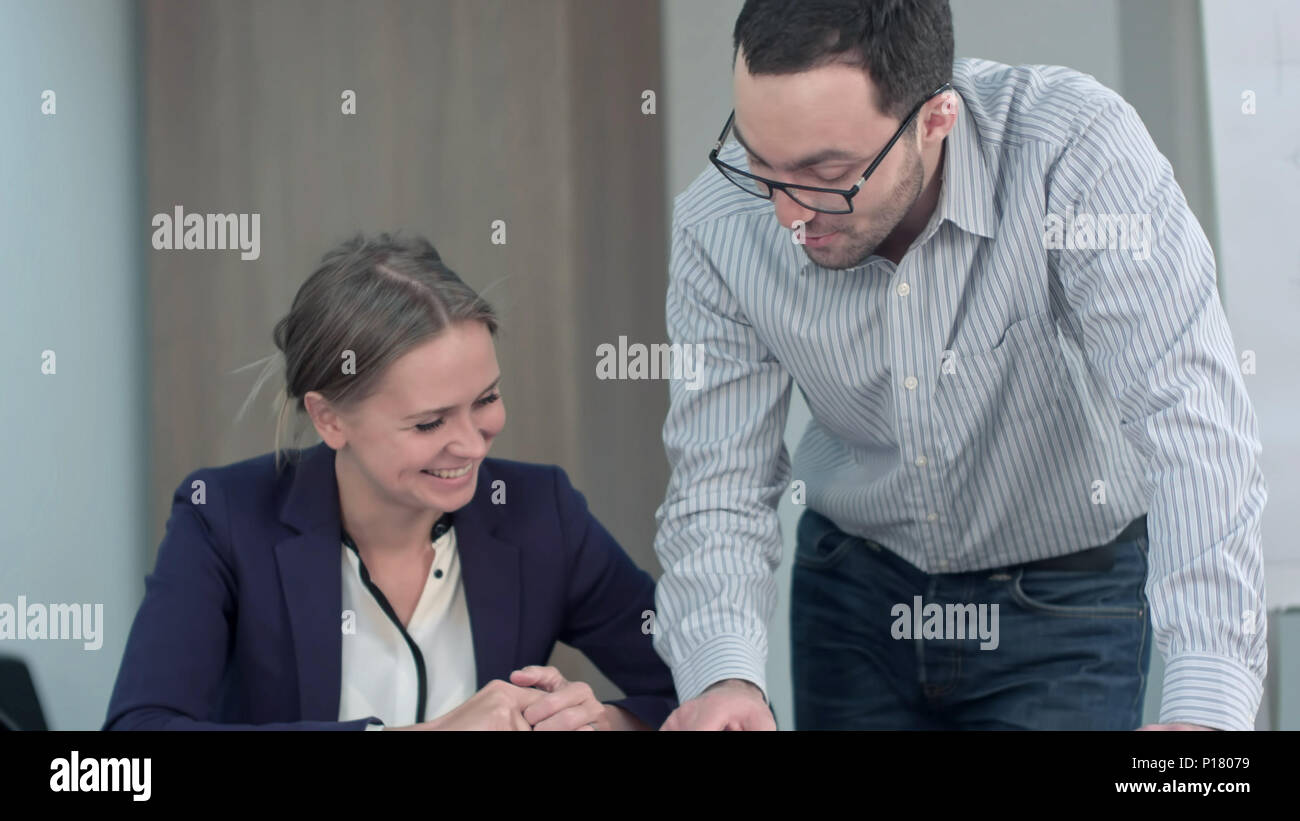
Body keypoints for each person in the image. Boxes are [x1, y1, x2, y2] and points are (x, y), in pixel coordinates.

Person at [654, 0, 1266, 730]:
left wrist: (1206, 707)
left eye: (827, 175)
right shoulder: (720, 224)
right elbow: (718, 479)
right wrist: (724, 676)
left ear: (935, 119)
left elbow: (1189, 418)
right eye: (758, 162)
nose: (788, 214)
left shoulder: (1073, 151)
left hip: (1066, 599)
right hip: (855, 596)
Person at [105, 233, 676, 730]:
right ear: (329, 418)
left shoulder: (541, 512)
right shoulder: (224, 518)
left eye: (487, 400)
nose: (473, 444)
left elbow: (708, 695)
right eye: (429, 422)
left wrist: (597, 723)